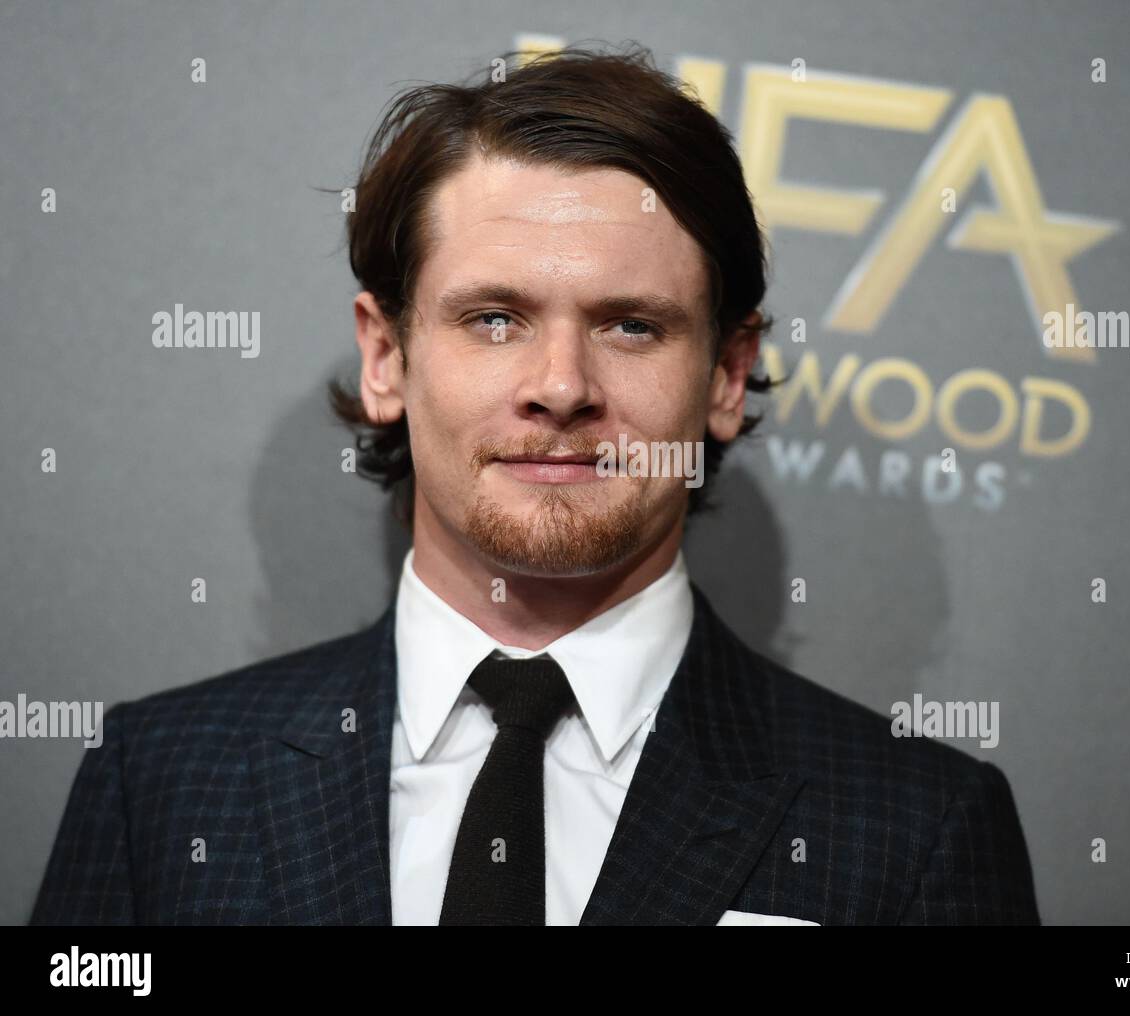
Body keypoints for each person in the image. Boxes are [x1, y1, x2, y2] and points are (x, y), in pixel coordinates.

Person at [30, 43, 1039, 926]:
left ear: (727, 374)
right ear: (385, 356)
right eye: (494, 318)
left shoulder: (918, 821)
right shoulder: (159, 780)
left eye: (631, 323)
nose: (561, 386)